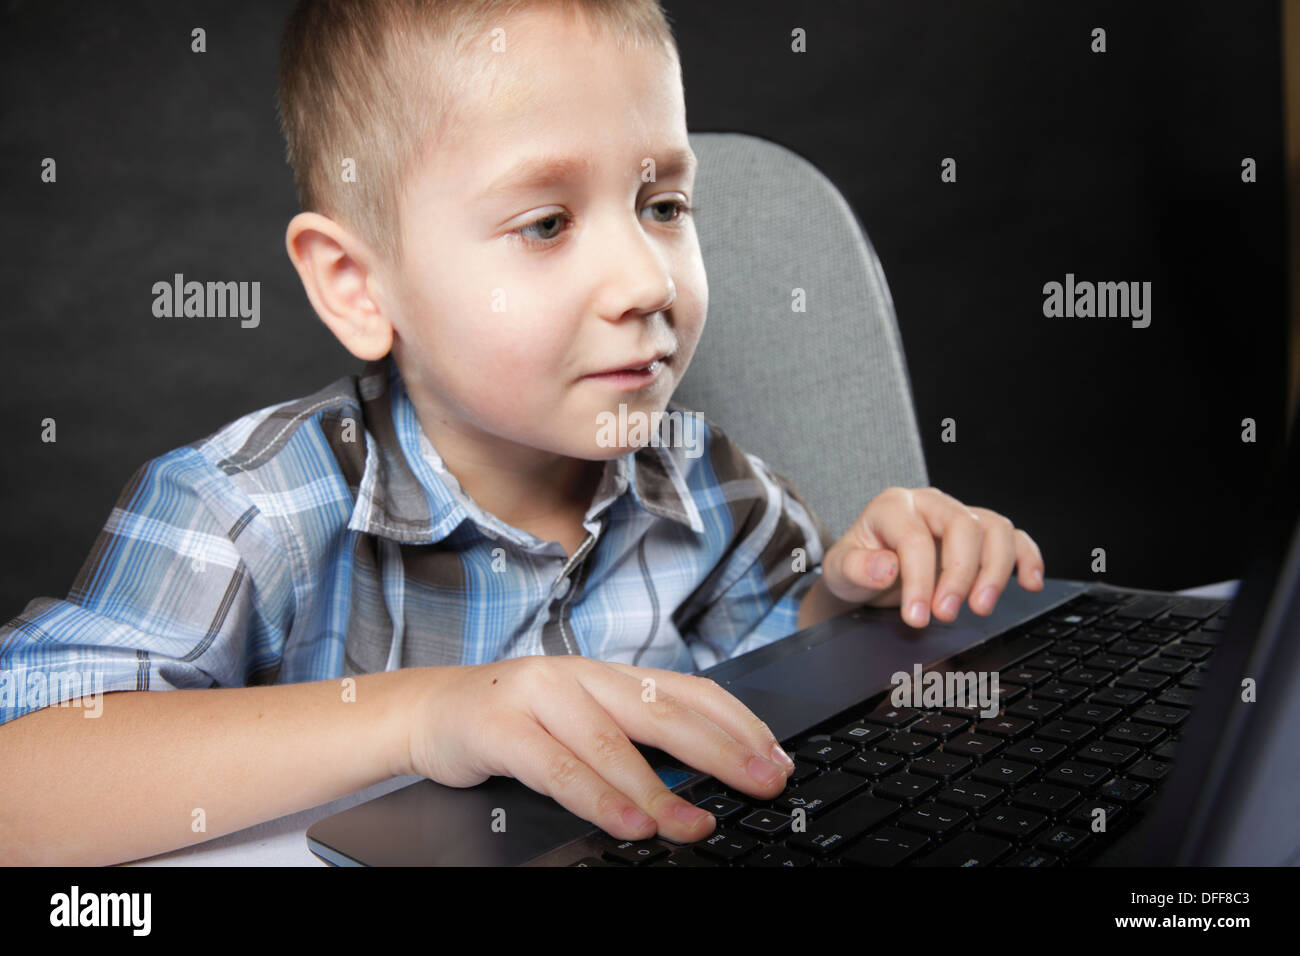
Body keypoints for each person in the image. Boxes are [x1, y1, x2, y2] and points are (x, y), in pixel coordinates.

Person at [0, 0, 1044, 865]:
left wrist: (855, 602)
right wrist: (430, 715)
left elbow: (773, 689)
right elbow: (23, 777)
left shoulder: (713, 488)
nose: (646, 281)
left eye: (664, 204)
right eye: (545, 223)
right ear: (359, 285)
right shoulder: (247, 507)